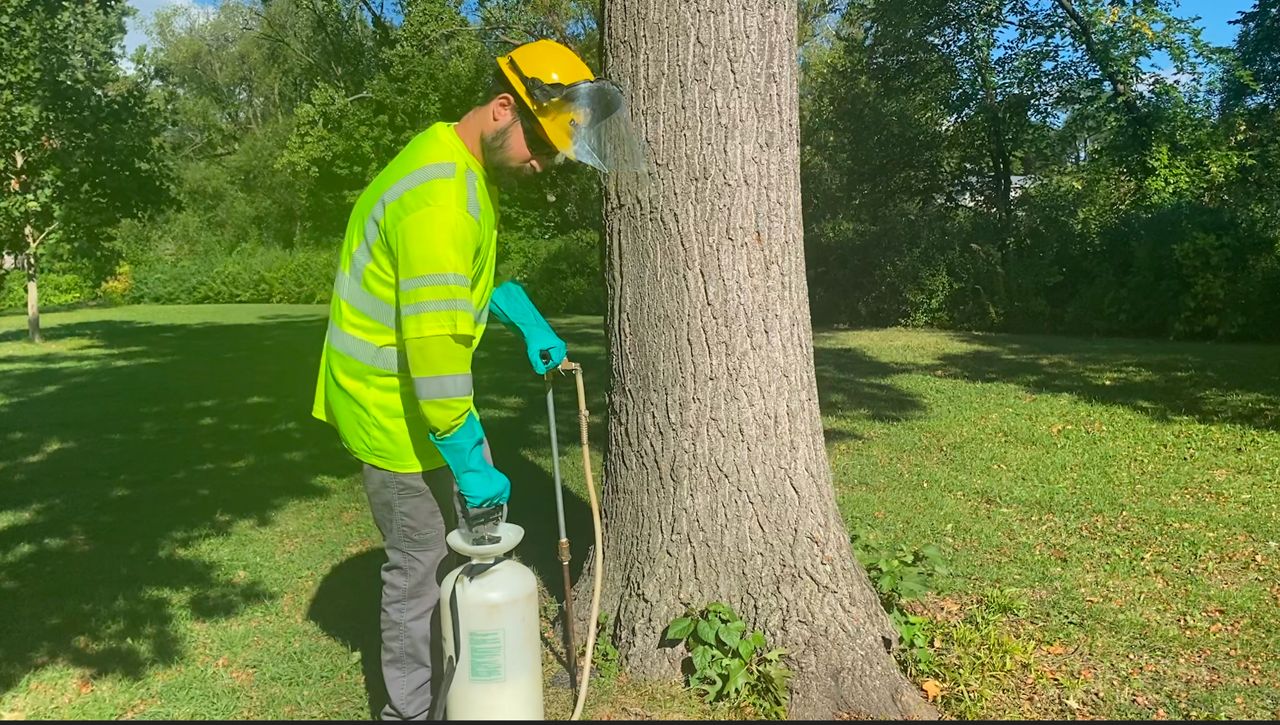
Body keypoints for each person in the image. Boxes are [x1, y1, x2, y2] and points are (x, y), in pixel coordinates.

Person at [311, 38, 642, 720]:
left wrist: (522, 316)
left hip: (420, 399)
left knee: (474, 534)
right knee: (418, 567)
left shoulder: (450, 161)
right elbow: (432, 352)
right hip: (390, 407)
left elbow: (459, 281)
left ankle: (479, 675)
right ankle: (409, 711)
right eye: (541, 146)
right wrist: (467, 455)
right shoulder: (440, 200)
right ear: (501, 109)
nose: (544, 164)